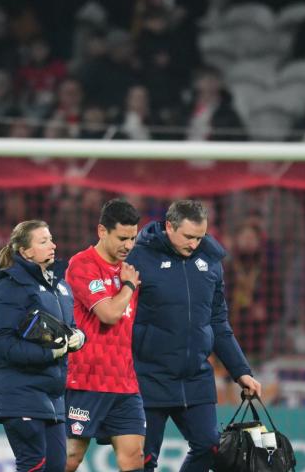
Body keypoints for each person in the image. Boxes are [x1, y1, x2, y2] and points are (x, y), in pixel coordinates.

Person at [125, 200, 262, 472]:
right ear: (169, 226)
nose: (194, 243)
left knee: (210, 447)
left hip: (195, 377)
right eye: (188, 236)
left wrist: (241, 372)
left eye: (200, 237)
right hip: (148, 376)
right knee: (143, 460)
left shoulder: (211, 262)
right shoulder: (138, 258)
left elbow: (218, 322)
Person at [0, 220, 85, 471]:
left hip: (52, 394)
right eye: (43, 241)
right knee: (34, 463)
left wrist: (79, 337)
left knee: (56, 465)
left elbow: (70, 327)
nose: (53, 245)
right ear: (25, 251)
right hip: (19, 391)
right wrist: (49, 353)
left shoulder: (60, 285)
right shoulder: (10, 285)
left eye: (50, 239)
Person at [65, 199, 145, 472]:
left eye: (133, 238)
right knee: (71, 457)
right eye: (122, 238)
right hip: (86, 380)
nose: (129, 245)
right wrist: (129, 286)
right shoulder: (83, 264)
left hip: (124, 382)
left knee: (134, 457)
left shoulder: (128, 269)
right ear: (102, 231)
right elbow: (109, 314)